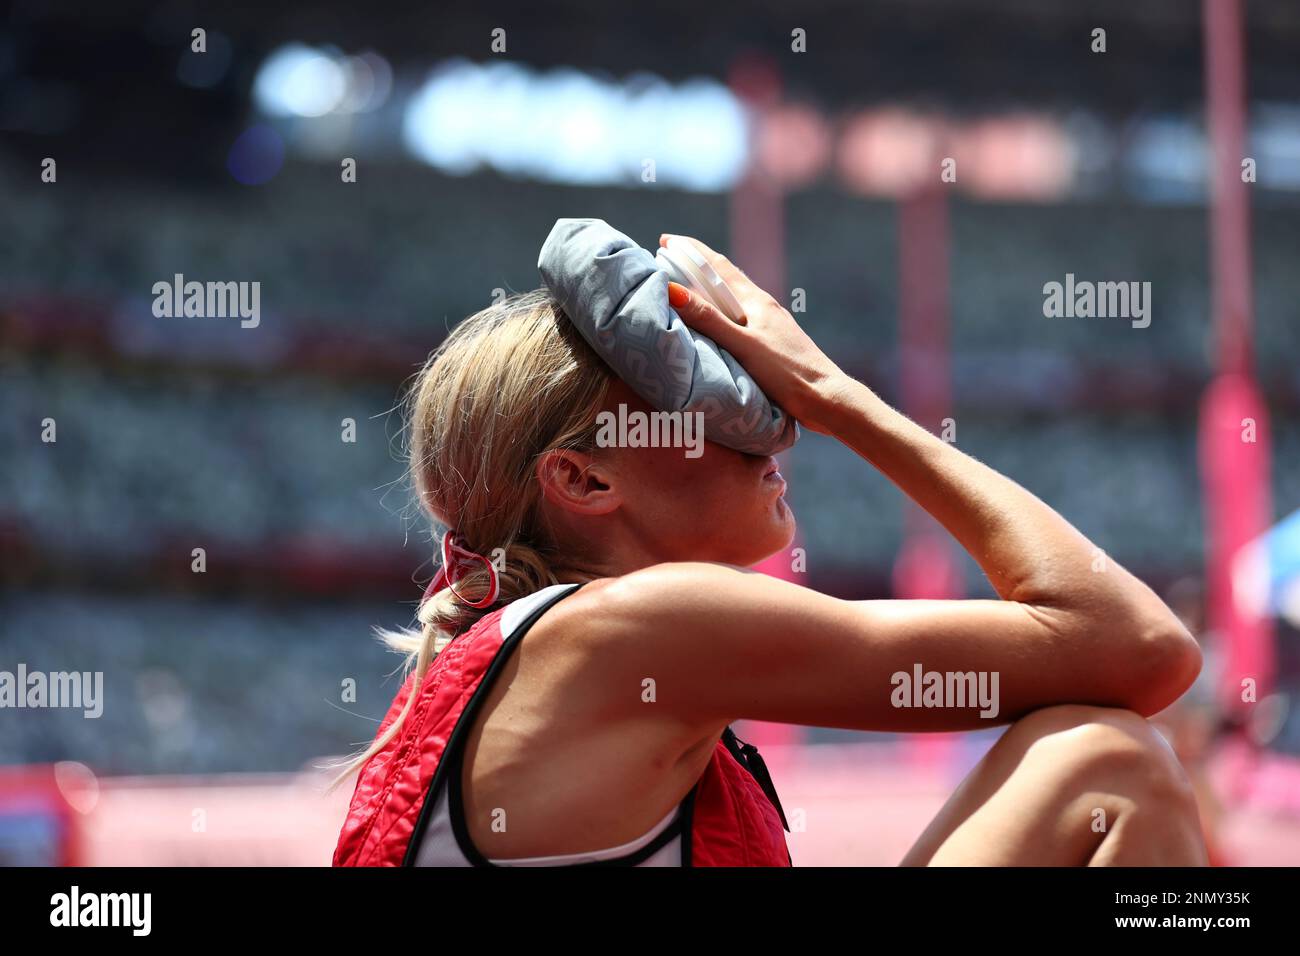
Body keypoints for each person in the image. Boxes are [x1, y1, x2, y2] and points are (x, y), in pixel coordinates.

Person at [332, 234, 1207, 867]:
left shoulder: (542, 647)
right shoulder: (643, 626)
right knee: (1109, 769)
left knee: (1099, 760)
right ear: (586, 481)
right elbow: (1138, 648)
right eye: (708, 407)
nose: (770, 434)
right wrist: (838, 396)